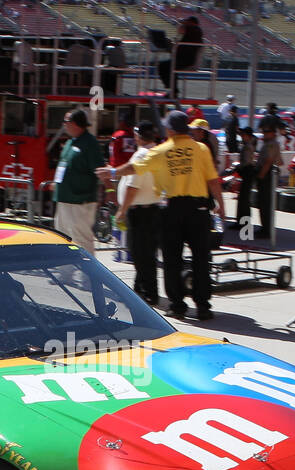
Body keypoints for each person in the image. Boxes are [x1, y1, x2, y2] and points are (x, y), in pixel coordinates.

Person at [105, 109, 225, 320]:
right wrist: (221, 204)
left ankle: (177, 305)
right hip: (199, 210)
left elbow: (134, 168)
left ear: (169, 129)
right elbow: (213, 180)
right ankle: (203, 306)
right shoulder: (201, 149)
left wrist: (114, 172)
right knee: (201, 258)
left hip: (172, 209)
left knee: (172, 259)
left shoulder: (161, 151)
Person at [115, 121, 164, 305]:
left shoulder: (142, 155)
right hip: (152, 209)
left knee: (140, 253)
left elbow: (132, 188)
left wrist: (122, 210)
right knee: (147, 253)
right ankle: (141, 288)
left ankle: (147, 292)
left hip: (140, 211)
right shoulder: (156, 153)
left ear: (137, 136)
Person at [52, 108, 104, 255]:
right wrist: (56, 183)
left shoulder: (89, 143)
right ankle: (65, 273)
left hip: (80, 201)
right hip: (64, 199)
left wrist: (110, 190)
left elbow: (100, 170)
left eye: (65, 121)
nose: (63, 124)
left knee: (82, 239)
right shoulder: (70, 142)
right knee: (62, 237)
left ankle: (88, 276)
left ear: (74, 123)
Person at [157, 16, 203, 97]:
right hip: (183, 59)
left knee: (164, 66)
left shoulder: (194, 29)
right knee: (167, 66)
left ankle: (173, 91)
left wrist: (183, 23)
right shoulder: (194, 30)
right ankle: (173, 90)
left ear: (191, 22)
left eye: (187, 21)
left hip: (186, 60)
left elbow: (180, 30)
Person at [255, 119, 282, 238]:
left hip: (267, 174)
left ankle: (266, 230)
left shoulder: (271, 144)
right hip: (267, 173)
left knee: (265, 203)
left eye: (267, 132)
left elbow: (269, 161)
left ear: (273, 133)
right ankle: (265, 228)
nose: (264, 134)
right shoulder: (269, 143)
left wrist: (261, 175)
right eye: (264, 132)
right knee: (264, 203)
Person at [233, 125, 256, 228]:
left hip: (247, 172)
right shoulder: (247, 145)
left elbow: (246, 162)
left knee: (244, 200)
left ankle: (244, 224)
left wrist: (238, 168)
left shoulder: (248, 147)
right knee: (242, 199)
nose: (241, 136)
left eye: (243, 134)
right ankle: (241, 222)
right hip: (246, 172)